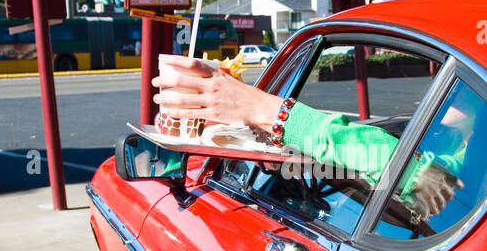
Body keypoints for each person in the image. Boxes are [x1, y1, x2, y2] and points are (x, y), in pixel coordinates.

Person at [153, 54, 466, 220]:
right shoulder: (469, 140)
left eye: (461, 94)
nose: (448, 104)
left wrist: (268, 110)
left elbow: (409, 168)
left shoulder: (468, 157)